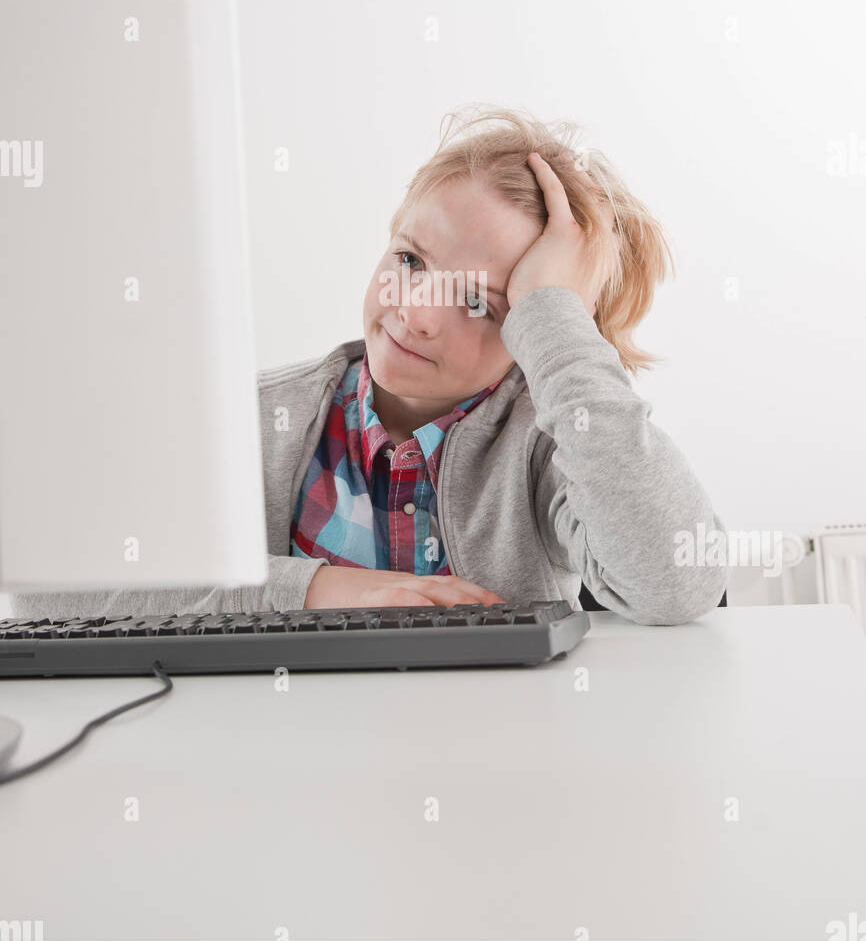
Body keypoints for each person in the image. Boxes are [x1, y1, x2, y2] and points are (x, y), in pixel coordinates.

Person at [11, 105, 728, 625]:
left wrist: (555, 320)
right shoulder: (258, 422)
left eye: (483, 304)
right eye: (410, 260)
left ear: (544, 334)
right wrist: (316, 589)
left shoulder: (550, 446)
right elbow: (49, 592)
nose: (415, 310)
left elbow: (677, 582)